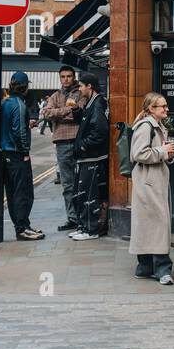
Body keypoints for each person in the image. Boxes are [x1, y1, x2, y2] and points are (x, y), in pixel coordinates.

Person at [126, 91, 174, 281]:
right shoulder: (146, 127)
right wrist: (163, 151)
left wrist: (169, 155)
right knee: (158, 223)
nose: (167, 109)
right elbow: (138, 154)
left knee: (149, 223)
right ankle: (163, 268)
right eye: (162, 106)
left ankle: (144, 266)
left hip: (155, 180)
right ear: (151, 109)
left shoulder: (157, 125)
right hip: (148, 181)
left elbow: (161, 152)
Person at [41, 66, 85, 233]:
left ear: (74, 77)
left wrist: (59, 114)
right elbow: (46, 113)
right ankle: (72, 218)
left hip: (78, 141)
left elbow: (78, 113)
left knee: (81, 181)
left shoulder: (80, 94)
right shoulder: (55, 95)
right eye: (63, 77)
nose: (66, 79)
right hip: (61, 142)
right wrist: (68, 111)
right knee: (67, 184)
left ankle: (82, 216)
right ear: (59, 78)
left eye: (69, 76)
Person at [1, 71, 45, 240]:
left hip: (7, 154)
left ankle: (21, 226)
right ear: (25, 87)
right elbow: (18, 132)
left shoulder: (6, 102)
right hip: (17, 155)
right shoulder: (19, 104)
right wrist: (25, 151)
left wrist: (27, 123)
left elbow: (11, 125)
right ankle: (22, 228)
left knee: (13, 193)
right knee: (24, 192)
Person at [69, 72, 110, 241]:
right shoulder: (90, 103)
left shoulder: (98, 104)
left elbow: (100, 132)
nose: (79, 89)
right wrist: (76, 110)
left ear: (89, 87)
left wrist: (81, 145)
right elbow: (87, 123)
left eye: (81, 85)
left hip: (93, 158)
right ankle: (83, 226)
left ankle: (91, 230)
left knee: (89, 196)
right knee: (81, 194)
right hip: (87, 157)